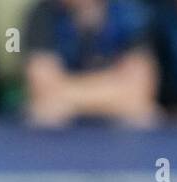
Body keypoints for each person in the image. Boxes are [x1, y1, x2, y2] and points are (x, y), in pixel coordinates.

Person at [23, 0, 159, 127]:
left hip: (96, 112)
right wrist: (116, 87)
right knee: (44, 114)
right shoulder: (42, 13)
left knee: (142, 115)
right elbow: (43, 89)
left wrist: (65, 93)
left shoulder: (131, 14)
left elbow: (139, 90)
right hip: (71, 116)